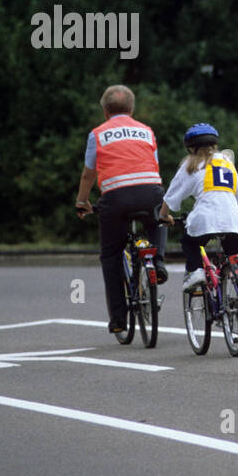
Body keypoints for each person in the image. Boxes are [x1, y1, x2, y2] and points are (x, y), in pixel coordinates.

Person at [75, 85, 169, 334]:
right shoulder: (146, 131)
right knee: (158, 219)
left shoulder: (98, 134)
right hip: (150, 192)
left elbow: (88, 174)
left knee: (111, 255)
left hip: (115, 198)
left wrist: (82, 201)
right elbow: (155, 167)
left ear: (105, 111)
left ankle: (118, 319)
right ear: (132, 109)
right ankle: (157, 262)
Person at [159, 123, 238, 335]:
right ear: (215, 143)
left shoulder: (190, 165)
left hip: (204, 219)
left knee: (189, 242)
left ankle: (196, 271)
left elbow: (171, 196)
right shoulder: (226, 162)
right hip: (233, 220)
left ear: (190, 147)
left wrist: (164, 215)